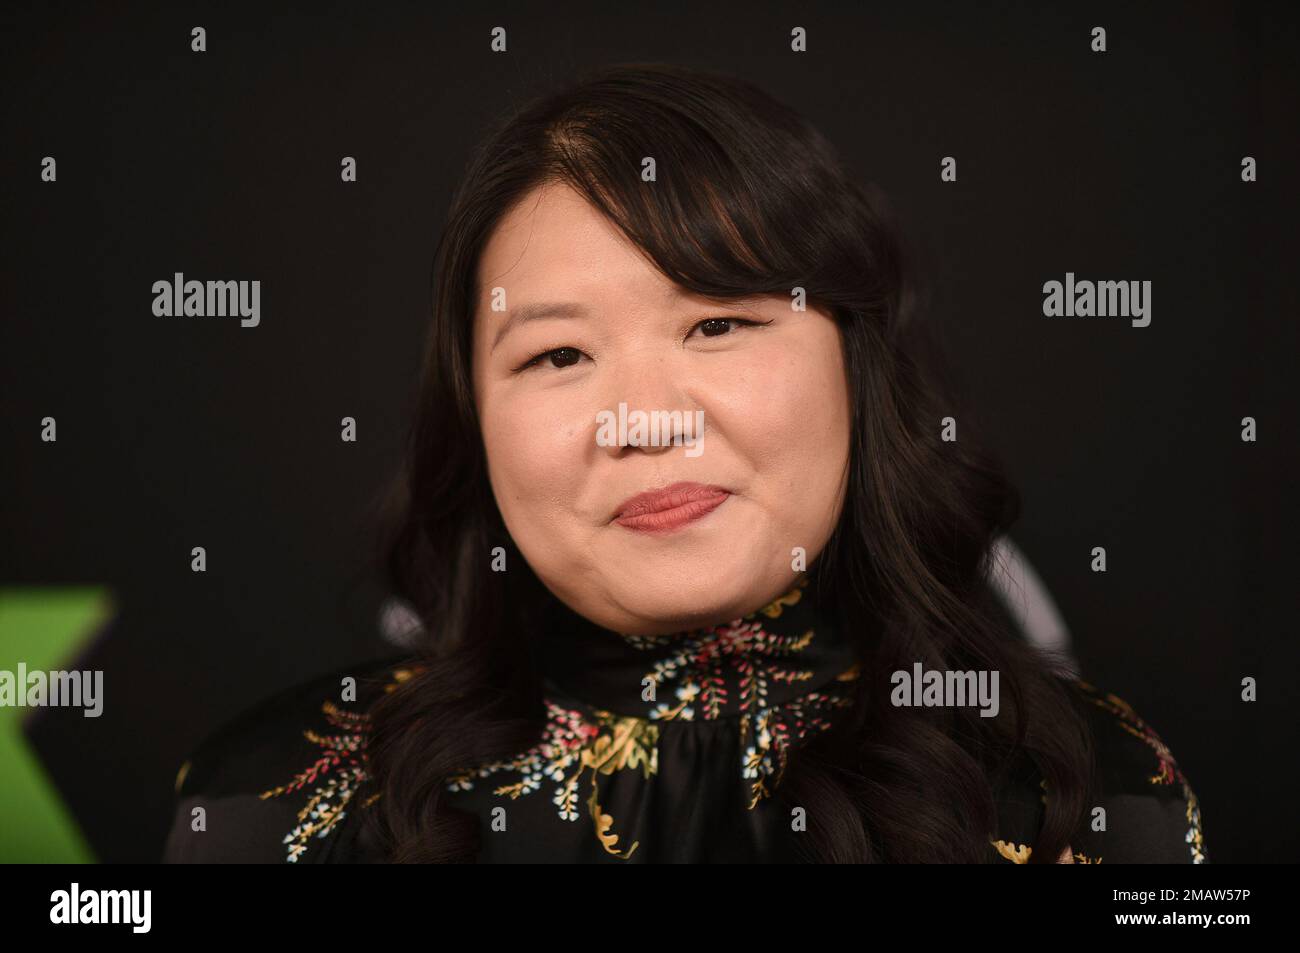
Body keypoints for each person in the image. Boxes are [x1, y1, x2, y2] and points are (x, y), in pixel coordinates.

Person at [162, 62, 1206, 864]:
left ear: (855, 366)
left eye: (717, 324)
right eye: (557, 353)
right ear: (472, 419)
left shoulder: (1083, 783)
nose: (644, 419)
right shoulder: (274, 800)